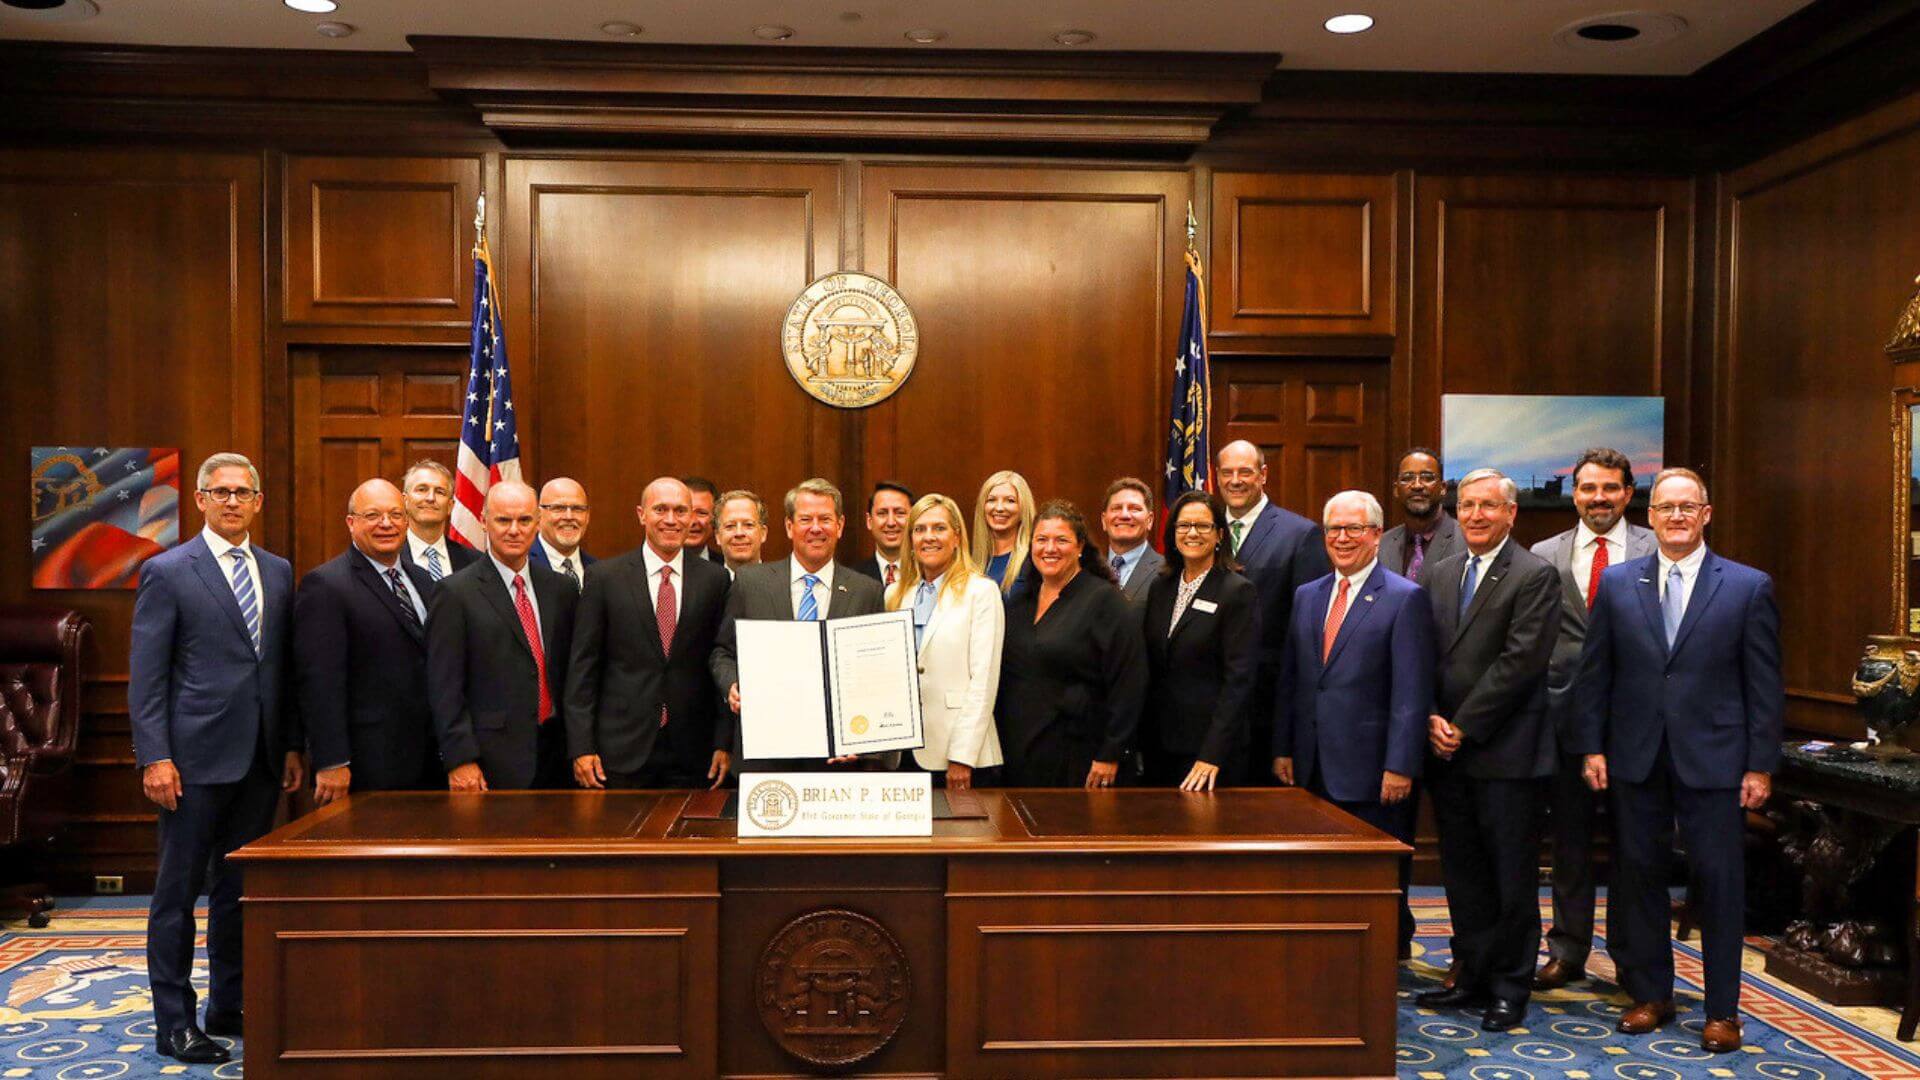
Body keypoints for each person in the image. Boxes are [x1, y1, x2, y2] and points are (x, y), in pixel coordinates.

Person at [1574, 468, 1782, 1054]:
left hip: (1716, 761)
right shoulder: (1618, 584)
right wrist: (1592, 745)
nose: (1677, 517)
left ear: (1706, 515)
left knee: (1718, 883)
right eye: (1666, 508)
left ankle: (1722, 1011)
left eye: (1688, 507)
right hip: (1635, 757)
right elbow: (1597, 674)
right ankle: (1652, 995)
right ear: (1651, 515)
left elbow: (1763, 685)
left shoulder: (1746, 585)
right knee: (1638, 878)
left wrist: (1760, 765)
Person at [129, 452, 303, 1065]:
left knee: (239, 893)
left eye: (243, 492)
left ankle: (229, 1003)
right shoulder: (169, 571)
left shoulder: (279, 572)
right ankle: (172, 1021)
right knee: (177, 896)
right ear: (199, 500)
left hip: (258, 760)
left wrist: (288, 746)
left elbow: (280, 668)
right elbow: (147, 677)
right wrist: (155, 756)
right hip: (191, 763)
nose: (232, 501)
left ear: (258, 501)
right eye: (220, 491)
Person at [1415, 469, 1559, 1032]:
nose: (1475, 515)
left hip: (1506, 755)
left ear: (1511, 514)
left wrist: (1463, 725)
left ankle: (1509, 987)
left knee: (1511, 878)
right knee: (1464, 874)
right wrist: (1431, 716)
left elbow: (1520, 664)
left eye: (1487, 507)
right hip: (1446, 754)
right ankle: (1471, 974)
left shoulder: (1534, 575)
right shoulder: (1440, 571)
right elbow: (1423, 649)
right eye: (1467, 506)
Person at [1272, 489, 1432, 953]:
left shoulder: (1405, 598)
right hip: (1312, 764)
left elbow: (1411, 690)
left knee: (1377, 880)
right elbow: (1294, 678)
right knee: (1319, 874)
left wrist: (1400, 764)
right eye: (1333, 529)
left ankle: (1388, 957)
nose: (1342, 539)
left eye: (1353, 528)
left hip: (1373, 770)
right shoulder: (1307, 595)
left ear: (1377, 534)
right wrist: (1284, 747)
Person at [1530, 447, 1656, 991]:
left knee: (1634, 843)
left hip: (1636, 719)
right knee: (1570, 841)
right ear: (1573, 493)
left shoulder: (1659, 548)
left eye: (1609, 489)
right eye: (1587, 488)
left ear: (1628, 493)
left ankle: (1632, 954)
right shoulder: (1543, 553)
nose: (1598, 499)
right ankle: (1567, 949)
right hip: (1564, 718)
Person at [711, 478, 889, 771]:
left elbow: (875, 674)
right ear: (789, 527)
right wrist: (731, 683)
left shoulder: (867, 591)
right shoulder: (751, 583)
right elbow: (722, 652)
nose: (816, 528)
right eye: (806, 519)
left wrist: (865, 739)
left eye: (825, 519)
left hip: (837, 758)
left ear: (840, 526)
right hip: (766, 753)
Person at [567, 478, 732, 790]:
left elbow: (720, 660)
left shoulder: (715, 579)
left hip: (694, 752)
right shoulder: (605, 578)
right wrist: (582, 746)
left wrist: (724, 741)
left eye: (682, 511)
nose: (671, 520)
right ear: (642, 514)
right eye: (661, 509)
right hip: (619, 751)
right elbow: (583, 667)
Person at [293, 478, 442, 801]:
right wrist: (332, 759)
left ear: (407, 520)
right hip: (365, 766)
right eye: (372, 515)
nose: (386, 524)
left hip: (429, 761)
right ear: (351, 523)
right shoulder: (326, 586)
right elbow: (320, 682)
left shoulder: (422, 579)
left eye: (395, 515)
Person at [426, 480, 578, 790]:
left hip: (557, 755)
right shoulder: (455, 593)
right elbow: (444, 686)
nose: (514, 530)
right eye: (503, 520)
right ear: (483, 521)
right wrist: (460, 758)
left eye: (524, 520)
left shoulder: (560, 589)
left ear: (537, 523)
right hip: (491, 758)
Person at [996, 500, 1147, 787]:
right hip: (1021, 757)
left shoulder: (1105, 601)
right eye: (1041, 540)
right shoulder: (1019, 602)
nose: (1049, 548)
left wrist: (1110, 753)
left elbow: (1129, 684)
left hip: (1081, 761)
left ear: (1079, 547)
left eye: (1061, 540)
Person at [1217, 440, 1330, 784]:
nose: (1235, 480)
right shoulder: (1204, 529)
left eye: (1245, 472)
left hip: (1264, 708)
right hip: (1208, 704)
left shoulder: (1300, 534)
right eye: (1227, 472)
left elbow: (1306, 631)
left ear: (1263, 475)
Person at [1141, 490, 1258, 791]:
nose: (1192, 533)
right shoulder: (1161, 587)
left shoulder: (1237, 592)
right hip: (1159, 747)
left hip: (1208, 755)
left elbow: (1239, 682)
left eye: (1202, 526)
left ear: (1220, 534)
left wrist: (1212, 754)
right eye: (1183, 526)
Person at [888, 493, 1004, 787]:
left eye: (939, 528)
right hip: (904, 754)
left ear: (956, 537)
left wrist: (962, 756)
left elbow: (984, 682)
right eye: (920, 529)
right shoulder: (896, 595)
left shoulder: (981, 592)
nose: (929, 537)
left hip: (962, 758)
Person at [1378, 448, 1463, 583]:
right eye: (1407, 478)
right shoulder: (1382, 544)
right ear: (1396, 490)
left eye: (1427, 478)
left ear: (1443, 488)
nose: (1417, 485)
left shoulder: (1465, 540)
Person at [399, 458, 479, 580]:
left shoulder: (475, 562)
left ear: (450, 506)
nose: (431, 498)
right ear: (405, 501)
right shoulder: (390, 556)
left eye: (440, 492)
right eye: (422, 489)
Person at [1101, 477, 1164, 604]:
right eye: (1116, 508)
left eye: (1134, 508)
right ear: (1104, 520)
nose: (1124, 515)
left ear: (1149, 520)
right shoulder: (1085, 571)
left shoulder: (1167, 572)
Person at [972, 470, 1035, 595]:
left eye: (1010, 501)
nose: (999, 508)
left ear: (1023, 508)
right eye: (991, 500)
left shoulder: (1034, 560)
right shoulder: (970, 561)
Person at [529, 476, 595, 588]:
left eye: (577, 509)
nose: (569, 516)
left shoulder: (598, 570)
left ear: (587, 516)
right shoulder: (522, 566)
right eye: (558, 508)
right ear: (538, 515)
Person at [853, 481, 915, 587]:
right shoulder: (853, 579)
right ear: (869, 521)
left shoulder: (928, 574)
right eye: (882, 513)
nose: (891, 522)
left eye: (900, 513)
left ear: (914, 519)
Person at [716, 489, 768, 577]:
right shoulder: (706, 586)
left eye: (748, 525)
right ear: (718, 536)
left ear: (763, 533)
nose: (739, 533)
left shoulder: (783, 585)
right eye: (730, 526)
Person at [683, 475, 721, 563]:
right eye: (684, 512)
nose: (693, 521)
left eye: (701, 513)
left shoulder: (725, 570)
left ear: (715, 519)